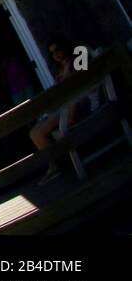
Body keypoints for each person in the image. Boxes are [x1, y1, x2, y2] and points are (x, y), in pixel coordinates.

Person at [29, 37, 86, 184]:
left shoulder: (80, 56)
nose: (56, 55)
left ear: (64, 46)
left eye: (58, 49)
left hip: (79, 105)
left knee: (37, 133)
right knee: (35, 130)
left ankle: (59, 165)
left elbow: (84, 84)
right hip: (65, 108)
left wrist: (71, 111)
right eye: (53, 53)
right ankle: (56, 164)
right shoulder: (60, 71)